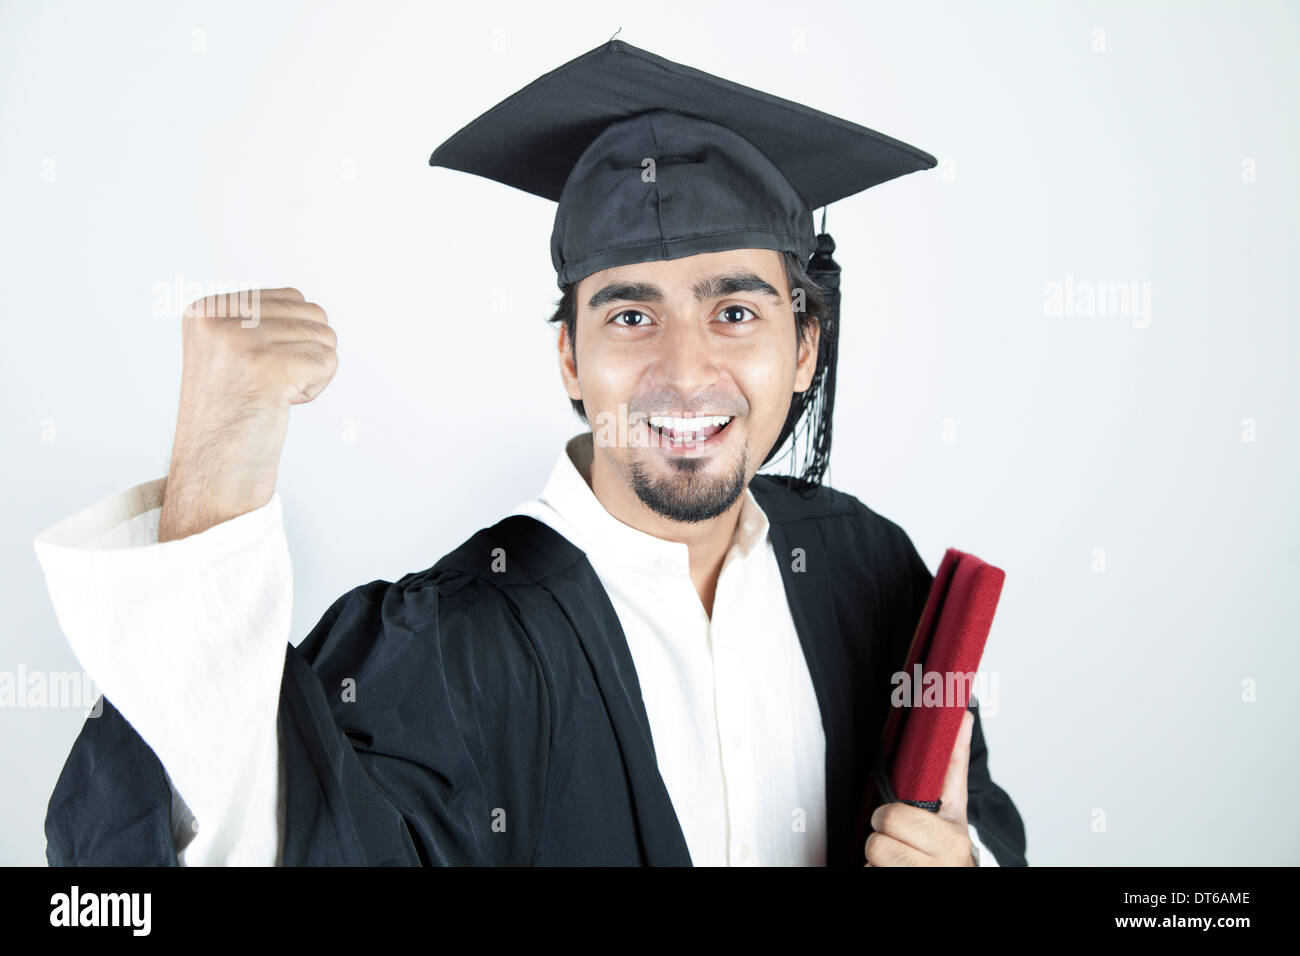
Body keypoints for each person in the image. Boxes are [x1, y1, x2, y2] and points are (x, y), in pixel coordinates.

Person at [34, 39, 1027, 867]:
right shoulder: (449, 648)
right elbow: (224, 841)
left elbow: (972, 816)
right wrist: (215, 483)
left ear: (803, 346)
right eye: (631, 313)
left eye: (735, 310)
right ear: (568, 356)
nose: (685, 370)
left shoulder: (864, 571)